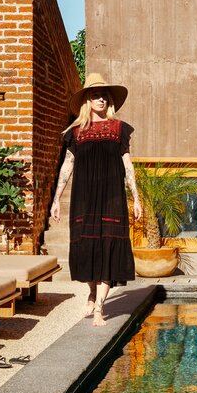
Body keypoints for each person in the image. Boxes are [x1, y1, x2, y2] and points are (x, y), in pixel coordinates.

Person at [49, 72, 143, 326]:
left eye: (104, 96)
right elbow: (67, 165)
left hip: (112, 198)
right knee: (87, 248)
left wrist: (136, 198)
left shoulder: (119, 129)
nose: (101, 99)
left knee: (108, 248)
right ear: (87, 101)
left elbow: (127, 165)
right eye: (95, 95)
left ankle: (100, 307)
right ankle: (92, 291)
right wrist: (56, 200)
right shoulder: (76, 132)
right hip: (85, 198)